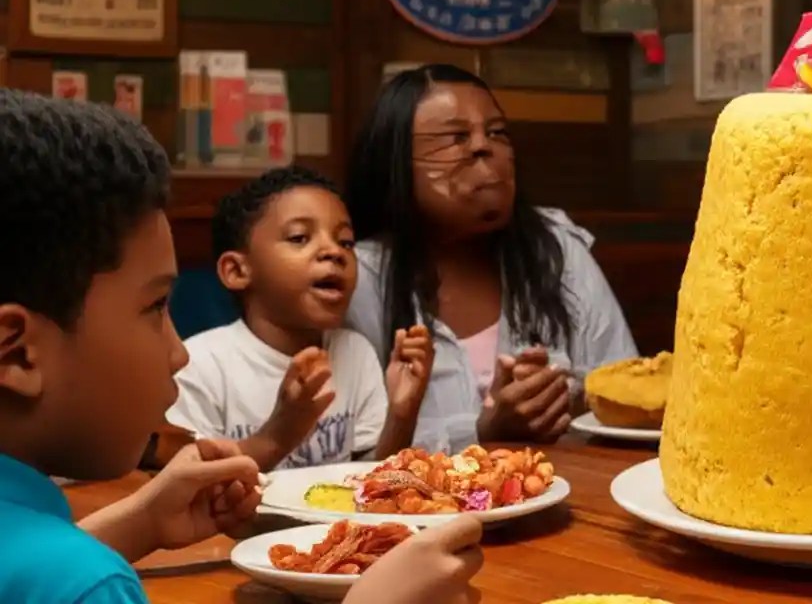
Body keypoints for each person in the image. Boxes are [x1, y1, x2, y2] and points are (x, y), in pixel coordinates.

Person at [0, 90, 482, 604]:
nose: (178, 352)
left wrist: (138, 524)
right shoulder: (85, 584)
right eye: (156, 306)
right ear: (18, 353)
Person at [345, 64, 638, 453]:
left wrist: (568, 400)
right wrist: (484, 429)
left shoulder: (555, 249)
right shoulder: (360, 279)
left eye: (497, 132)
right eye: (456, 137)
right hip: (428, 512)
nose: (484, 146)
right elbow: (353, 453)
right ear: (395, 163)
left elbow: (626, 391)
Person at [167, 166, 431, 471]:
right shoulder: (199, 366)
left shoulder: (354, 352)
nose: (333, 251)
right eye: (299, 237)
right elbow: (191, 486)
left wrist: (402, 414)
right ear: (238, 271)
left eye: (345, 241)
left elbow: (370, 482)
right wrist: (278, 434)